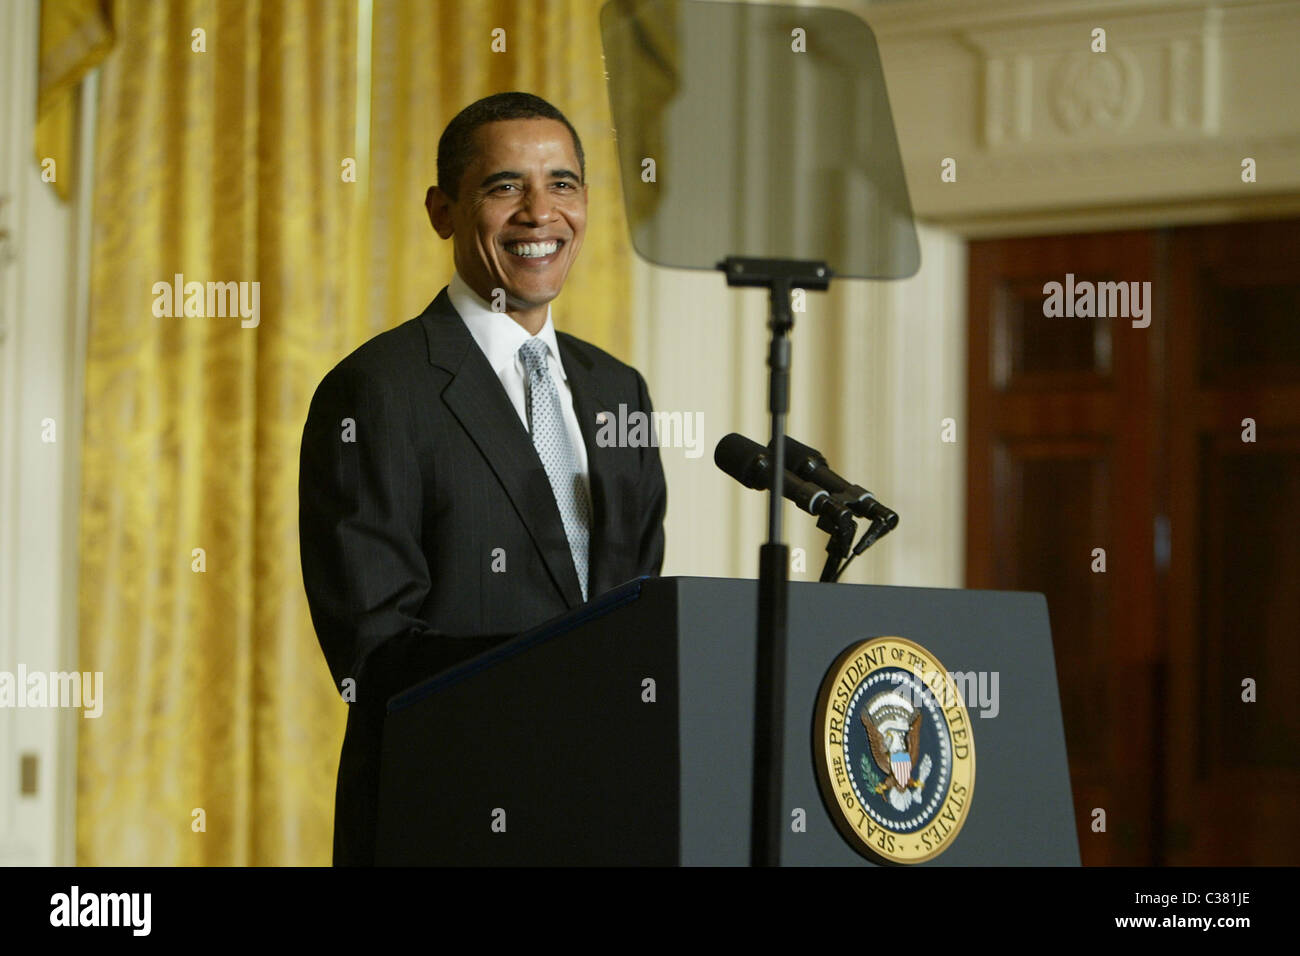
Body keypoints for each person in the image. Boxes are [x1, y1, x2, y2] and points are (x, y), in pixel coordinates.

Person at [298, 92, 668, 865]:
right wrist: (565, 682)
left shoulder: (618, 391)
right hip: (446, 816)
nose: (541, 212)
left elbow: (632, 608)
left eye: (562, 184)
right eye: (506, 187)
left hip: (605, 818)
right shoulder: (376, 390)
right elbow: (376, 653)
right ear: (443, 210)